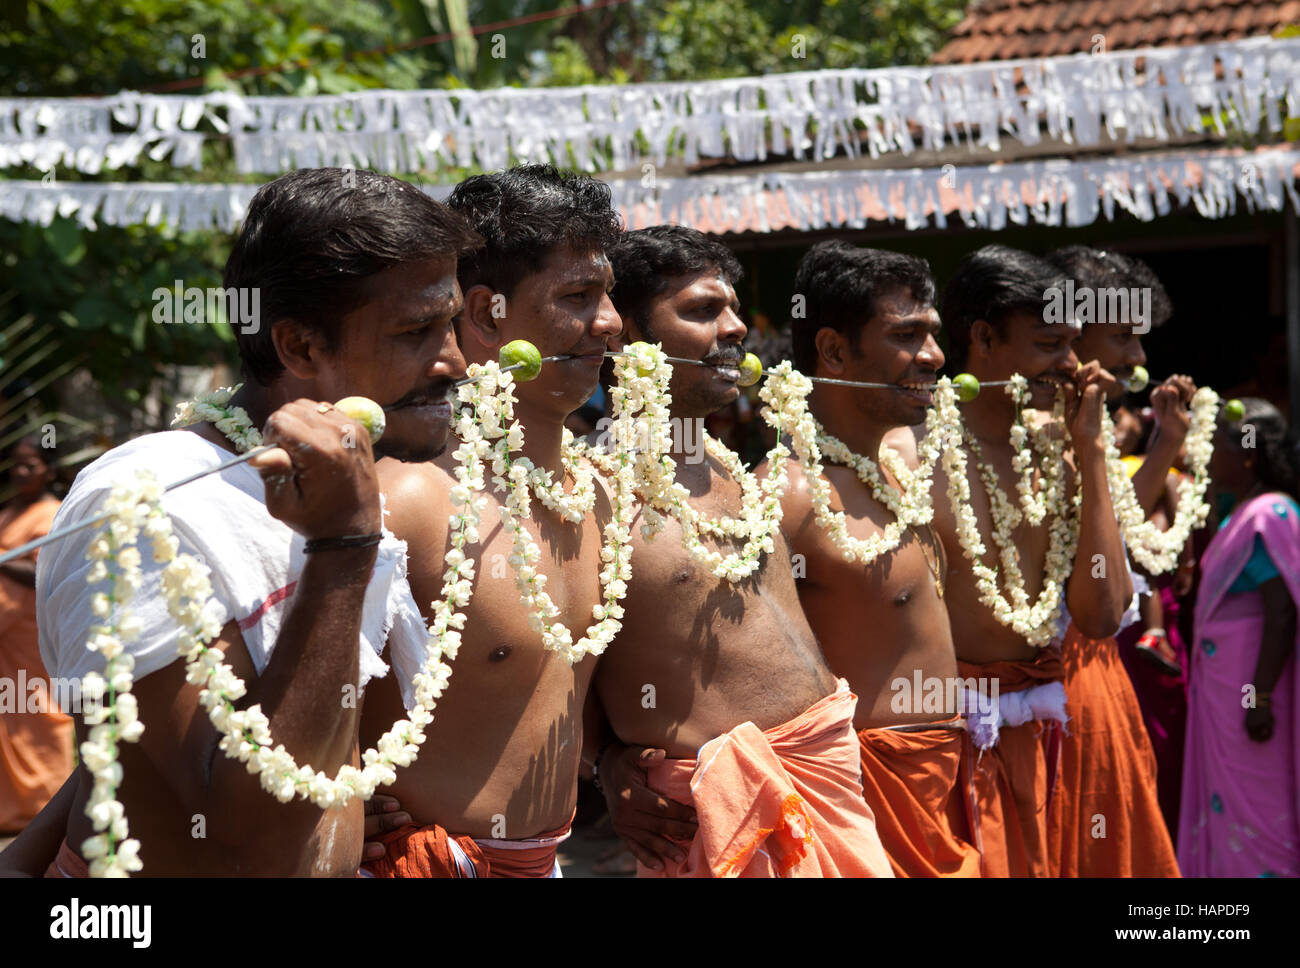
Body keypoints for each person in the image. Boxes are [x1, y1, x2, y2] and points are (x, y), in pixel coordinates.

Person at [3, 167, 480, 877]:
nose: (457, 362)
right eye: (416, 331)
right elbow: (237, 829)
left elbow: (146, 755)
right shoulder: (146, 500)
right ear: (300, 348)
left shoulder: (334, 477)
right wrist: (342, 547)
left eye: (451, 324)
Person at [591, 226, 893, 878]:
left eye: (732, 309)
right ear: (623, 337)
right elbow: (553, 663)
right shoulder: (595, 492)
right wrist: (606, 762)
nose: (734, 329)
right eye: (702, 310)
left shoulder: (735, 468)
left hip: (831, 777)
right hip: (723, 817)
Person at [358, 164, 628, 878]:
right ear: (486, 315)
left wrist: (624, 770)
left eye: (608, 294)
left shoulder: (599, 490)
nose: (609, 324)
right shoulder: (410, 500)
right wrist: (326, 812)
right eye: (578, 296)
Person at [772, 241, 980, 877]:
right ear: (834, 350)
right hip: (861, 796)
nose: (936, 357)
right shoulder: (788, 495)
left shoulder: (903, 470)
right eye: (906, 334)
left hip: (947, 778)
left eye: (933, 333)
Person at [931, 244, 1133, 876]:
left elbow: (1102, 615)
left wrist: (1091, 449)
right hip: (942, 747)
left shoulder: (1066, 449)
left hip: (1051, 741)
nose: (1072, 365)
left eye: (1073, 343)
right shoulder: (909, 455)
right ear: (984, 337)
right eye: (1050, 344)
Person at [1041, 245, 1182, 876]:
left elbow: (1112, 540)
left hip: (1100, 685)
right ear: (1067, 334)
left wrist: (1169, 445)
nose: (1139, 359)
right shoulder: (1024, 434)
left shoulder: (1085, 429)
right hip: (1041, 696)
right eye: (1124, 336)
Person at [1179, 399, 1300, 877]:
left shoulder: (1269, 513)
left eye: (1215, 446)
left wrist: (1261, 697)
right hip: (1228, 688)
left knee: (1258, 803)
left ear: (1246, 453)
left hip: (1251, 691)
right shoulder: (1241, 511)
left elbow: (1282, 611)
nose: (1206, 457)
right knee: (1231, 801)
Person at [0, 436, 73, 836]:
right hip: (5, 636)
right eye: (16, 464)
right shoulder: (11, 511)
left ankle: (45, 809)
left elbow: (45, 571)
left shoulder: (52, 513)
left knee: (39, 714)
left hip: (30, 633)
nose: (21, 472)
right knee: (8, 720)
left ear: (49, 469)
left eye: (31, 465)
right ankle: (12, 813)